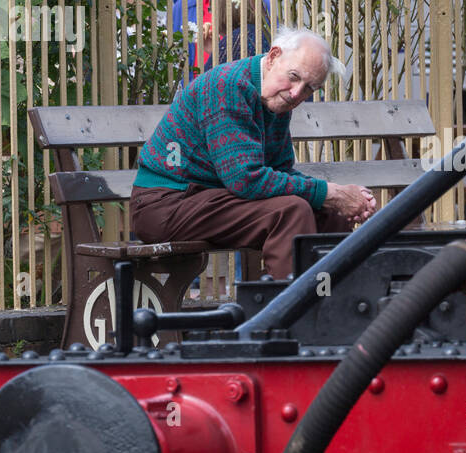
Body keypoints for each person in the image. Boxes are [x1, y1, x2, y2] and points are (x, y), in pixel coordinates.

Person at [130, 28, 376, 279]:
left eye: (308, 88)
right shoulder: (228, 86)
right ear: (273, 57)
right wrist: (328, 192)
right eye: (293, 77)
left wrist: (337, 199)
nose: (296, 94)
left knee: (328, 213)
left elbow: (279, 171)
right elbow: (245, 179)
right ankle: (288, 312)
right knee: (291, 212)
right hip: (165, 205)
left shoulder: (275, 100)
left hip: (212, 197)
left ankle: (331, 302)